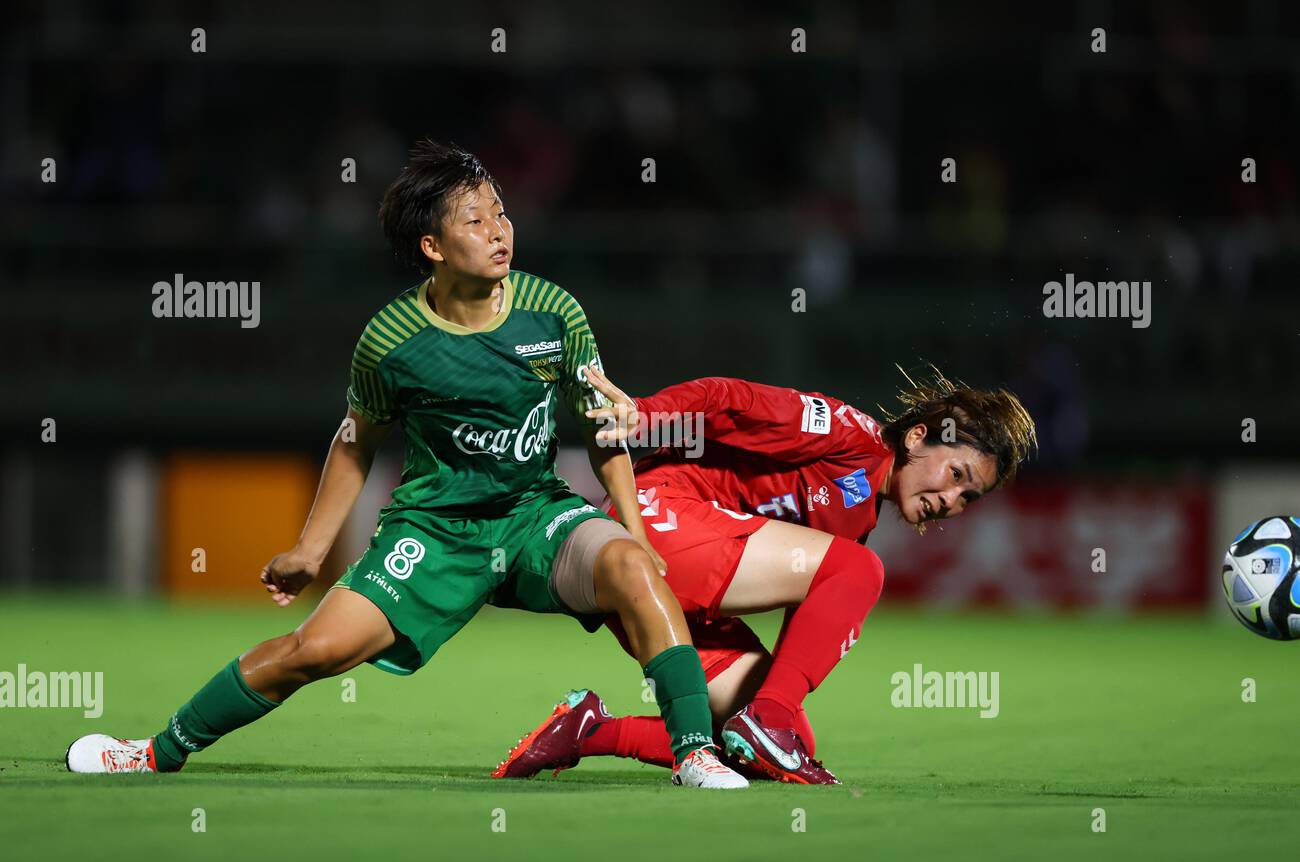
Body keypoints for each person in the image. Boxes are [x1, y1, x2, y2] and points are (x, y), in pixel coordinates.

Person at [66, 139, 747, 789]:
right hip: (436, 533)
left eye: (501, 212)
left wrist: (632, 526)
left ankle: (695, 755)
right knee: (316, 650)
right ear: (433, 246)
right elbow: (356, 442)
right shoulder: (392, 341)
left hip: (535, 516)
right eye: (475, 219)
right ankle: (156, 751)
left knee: (631, 567)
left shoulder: (554, 312)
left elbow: (602, 426)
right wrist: (310, 547)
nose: (499, 229)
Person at [494, 369, 1036, 783]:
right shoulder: (851, 436)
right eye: (956, 474)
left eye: (969, 496)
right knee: (858, 573)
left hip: (670, 578)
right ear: (918, 437)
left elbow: (803, 624)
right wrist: (648, 413)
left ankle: (588, 731)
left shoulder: (860, 515)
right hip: (656, 524)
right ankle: (766, 720)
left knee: (781, 741)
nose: (951, 500)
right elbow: (732, 399)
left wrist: (775, 710)